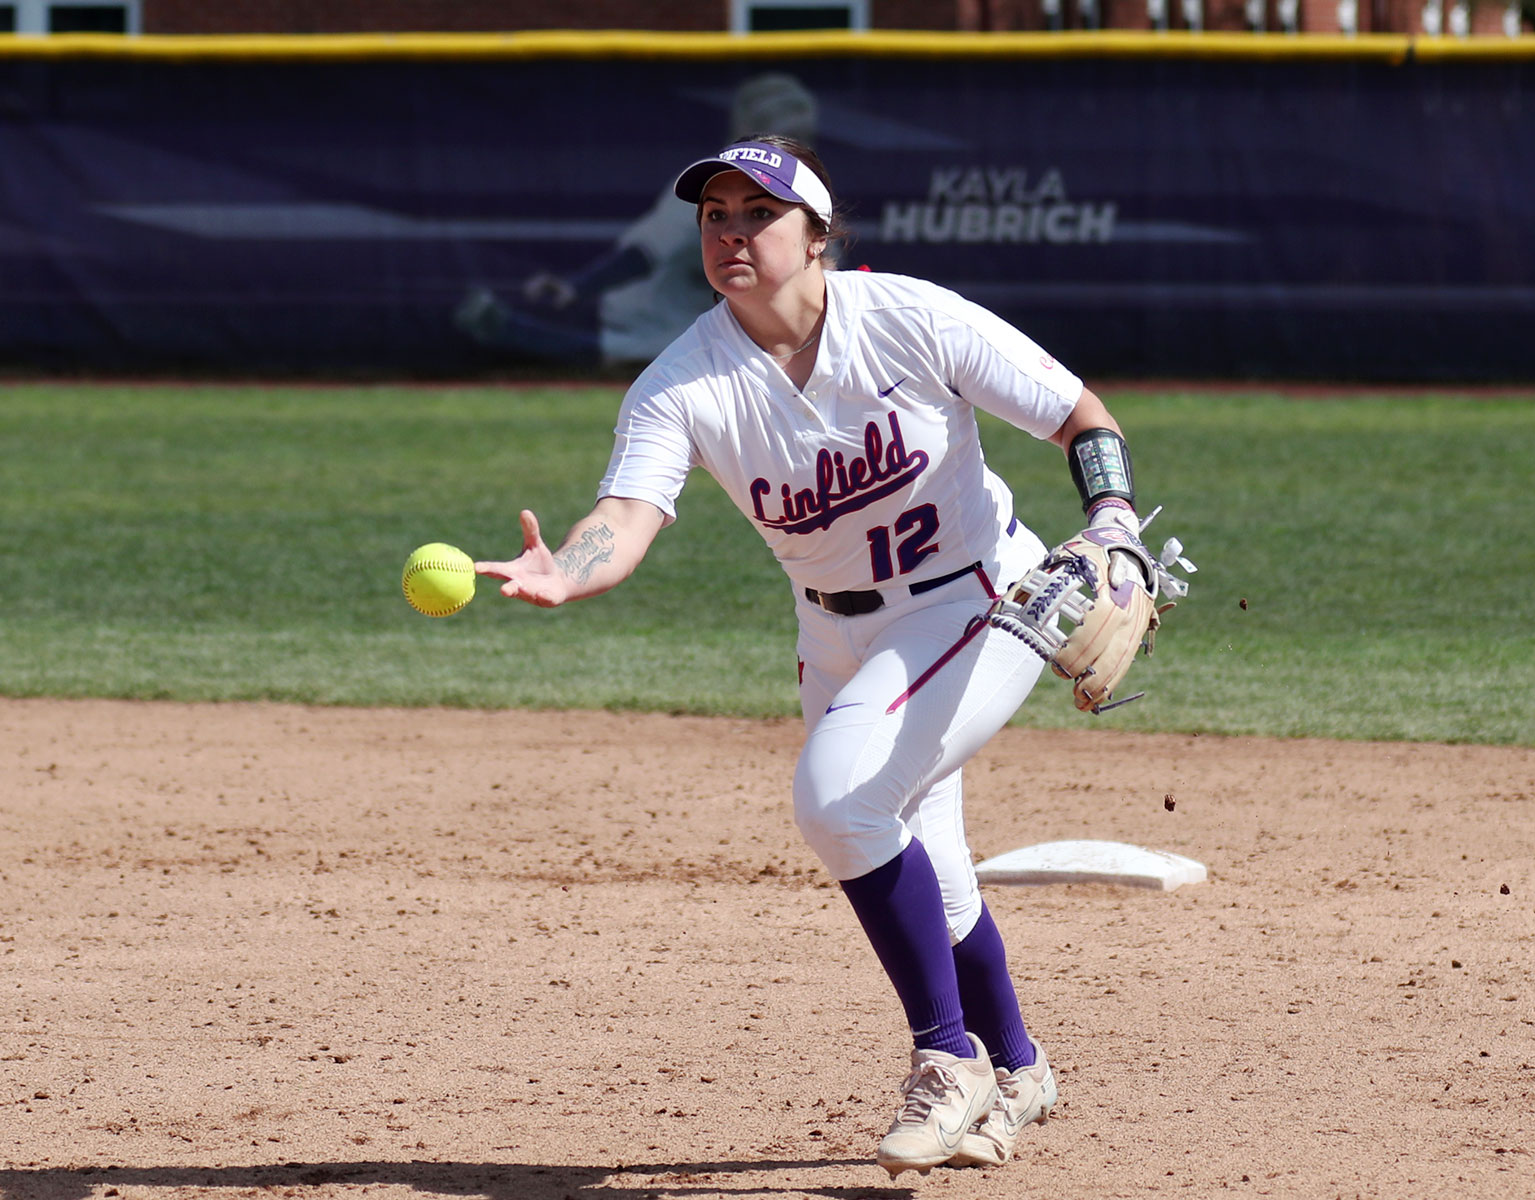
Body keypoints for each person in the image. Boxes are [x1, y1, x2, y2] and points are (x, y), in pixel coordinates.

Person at [474, 134, 1168, 1177]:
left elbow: (1080, 416)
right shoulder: (684, 381)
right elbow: (626, 511)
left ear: (816, 233)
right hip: (834, 636)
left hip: (978, 603)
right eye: (715, 216)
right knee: (929, 874)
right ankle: (1020, 1069)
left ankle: (949, 1062)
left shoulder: (909, 318)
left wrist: (1113, 519)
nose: (732, 234)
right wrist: (569, 569)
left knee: (837, 800)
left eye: (758, 215)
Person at [454, 73, 819, 368]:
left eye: (800, 137)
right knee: (679, 350)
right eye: (780, 136)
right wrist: (578, 288)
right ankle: (511, 328)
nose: (790, 146)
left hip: (715, 300)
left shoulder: (807, 193)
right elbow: (644, 253)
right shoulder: (714, 185)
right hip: (657, 298)